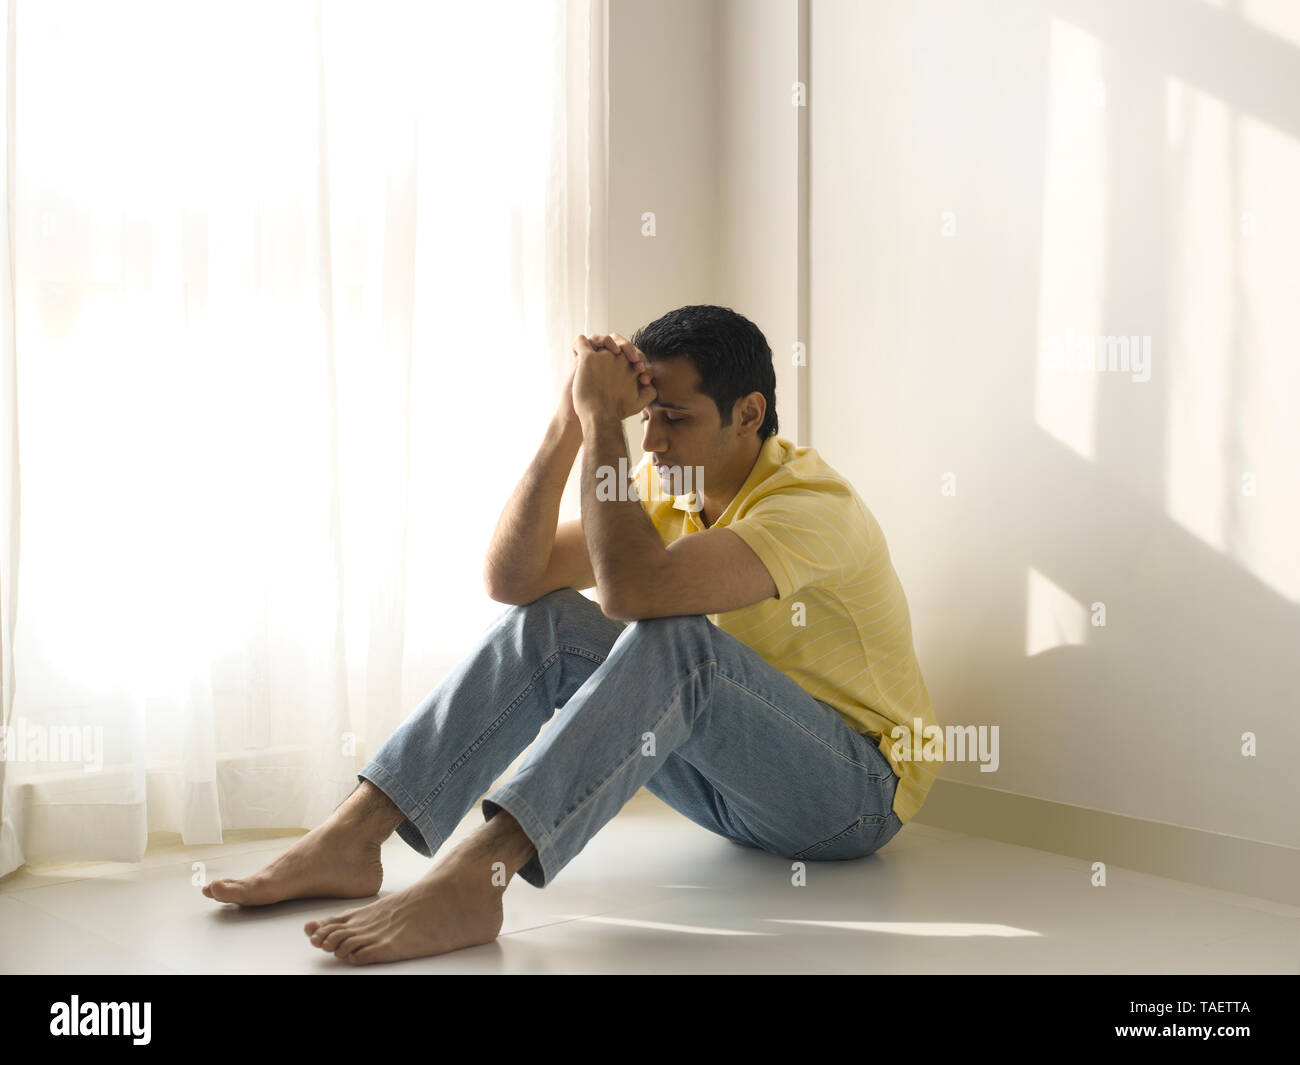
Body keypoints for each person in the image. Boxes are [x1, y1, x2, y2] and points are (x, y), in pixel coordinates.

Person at [203, 305, 942, 965]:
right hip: (736, 784)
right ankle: (353, 836)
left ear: (748, 413)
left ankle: (476, 878)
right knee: (551, 620)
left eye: (673, 417)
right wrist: (568, 422)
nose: (650, 439)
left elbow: (635, 593)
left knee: (673, 638)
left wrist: (603, 423)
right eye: (644, 415)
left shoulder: (812, 507)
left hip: (853, 794)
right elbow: (513, 579)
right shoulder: (670, 489)